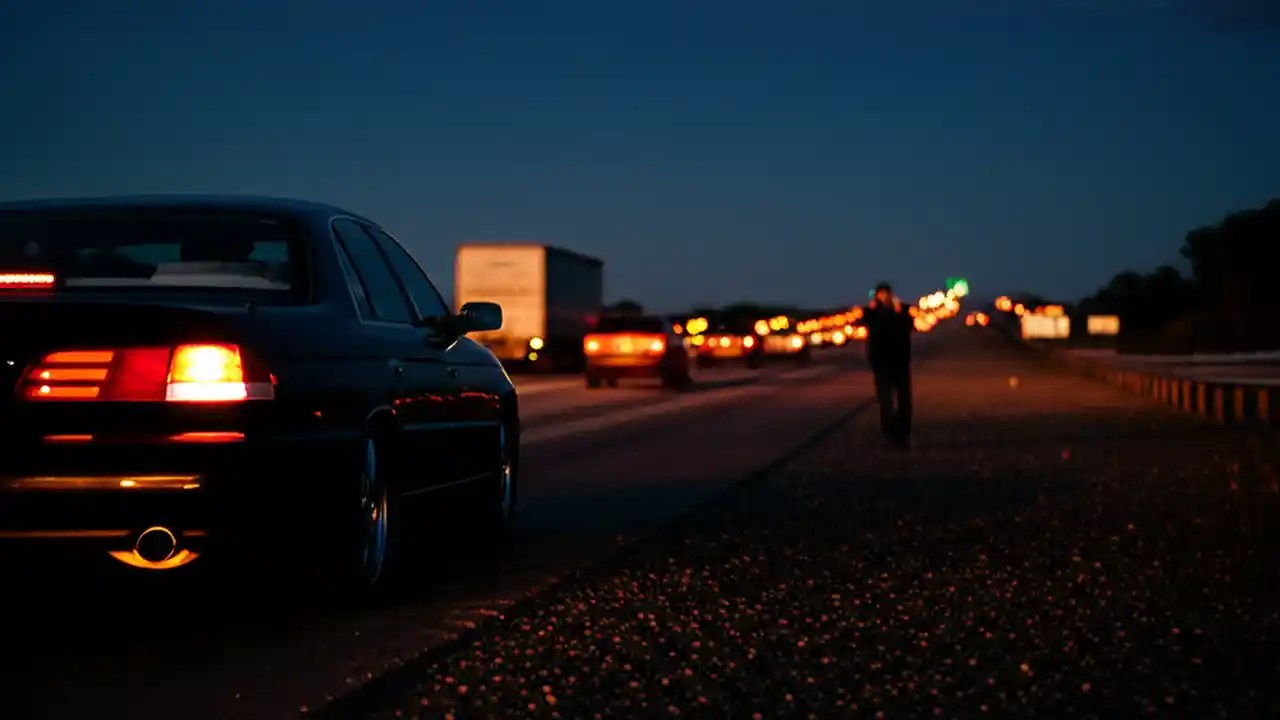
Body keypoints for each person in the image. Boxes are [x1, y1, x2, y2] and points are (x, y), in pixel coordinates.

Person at [859, 282, 914, 448]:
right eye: (879, 294)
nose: (883, 297)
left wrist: (899, 313)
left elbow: (909, 326)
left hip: (900, 361)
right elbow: (867, 326)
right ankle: (890, 434)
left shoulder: (902, 310)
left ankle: (902, 434)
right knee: (885, 401)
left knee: (904, 400)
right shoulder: (871, 313)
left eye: (885, 294)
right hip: (881, 362)